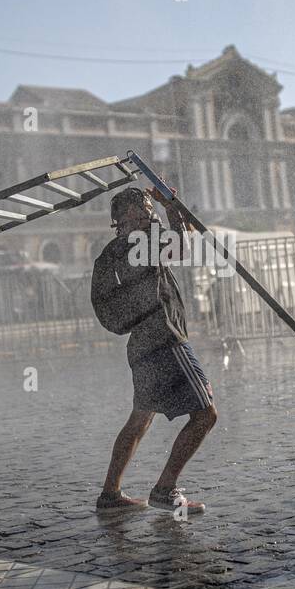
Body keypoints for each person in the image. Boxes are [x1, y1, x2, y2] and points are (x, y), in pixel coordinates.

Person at [91, 185, 217, 515]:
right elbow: (183, 246)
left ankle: (110, 494)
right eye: (147, 209)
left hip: (143, 347)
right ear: (131, 214)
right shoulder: (141, 243)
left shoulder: (114, 251)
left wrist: (171, 209)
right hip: (165, 341)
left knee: (140, 420)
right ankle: (165, 489)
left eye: (151, 208)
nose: (151, 214)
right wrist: (171, 205)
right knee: (206, 414)